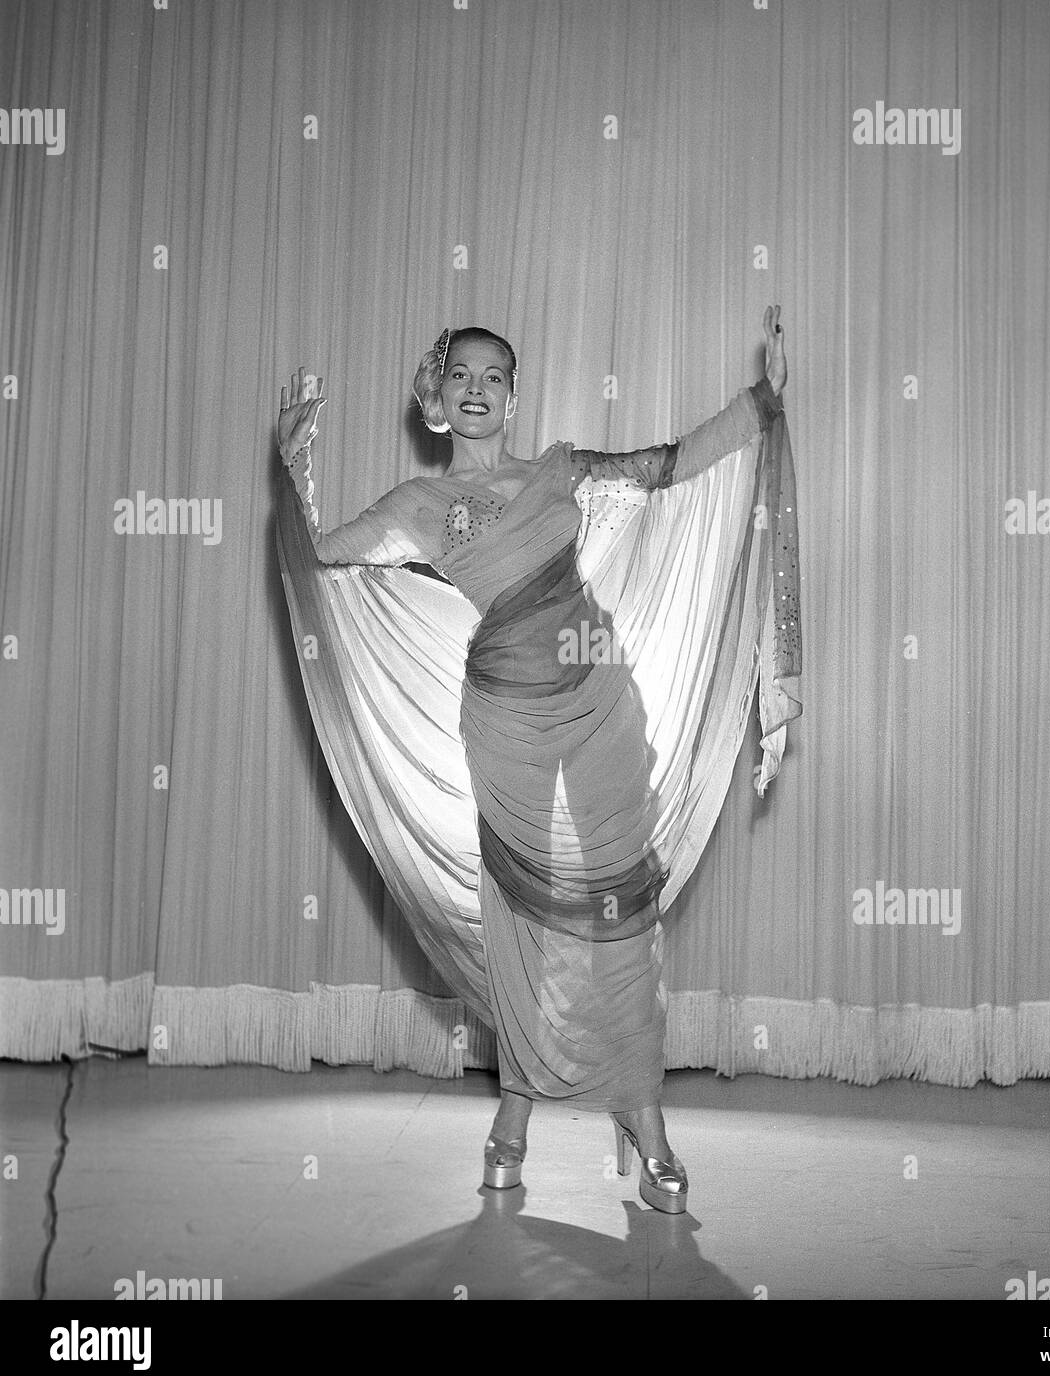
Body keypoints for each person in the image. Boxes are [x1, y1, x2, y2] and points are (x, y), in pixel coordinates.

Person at [275, 307, 798, 1214]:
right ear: (436, 398)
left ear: (512, 396)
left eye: (494, 376)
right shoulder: (413, 506)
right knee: (518, 920)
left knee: (622, 916)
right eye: (461, 375)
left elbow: (666, 463)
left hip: (602, 698)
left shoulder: (559, 470)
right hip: (504, 718)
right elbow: (317, 558)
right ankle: (510, 1121)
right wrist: (294, 474)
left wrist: (760, 402)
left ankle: (646, 1123)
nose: (477, 388)